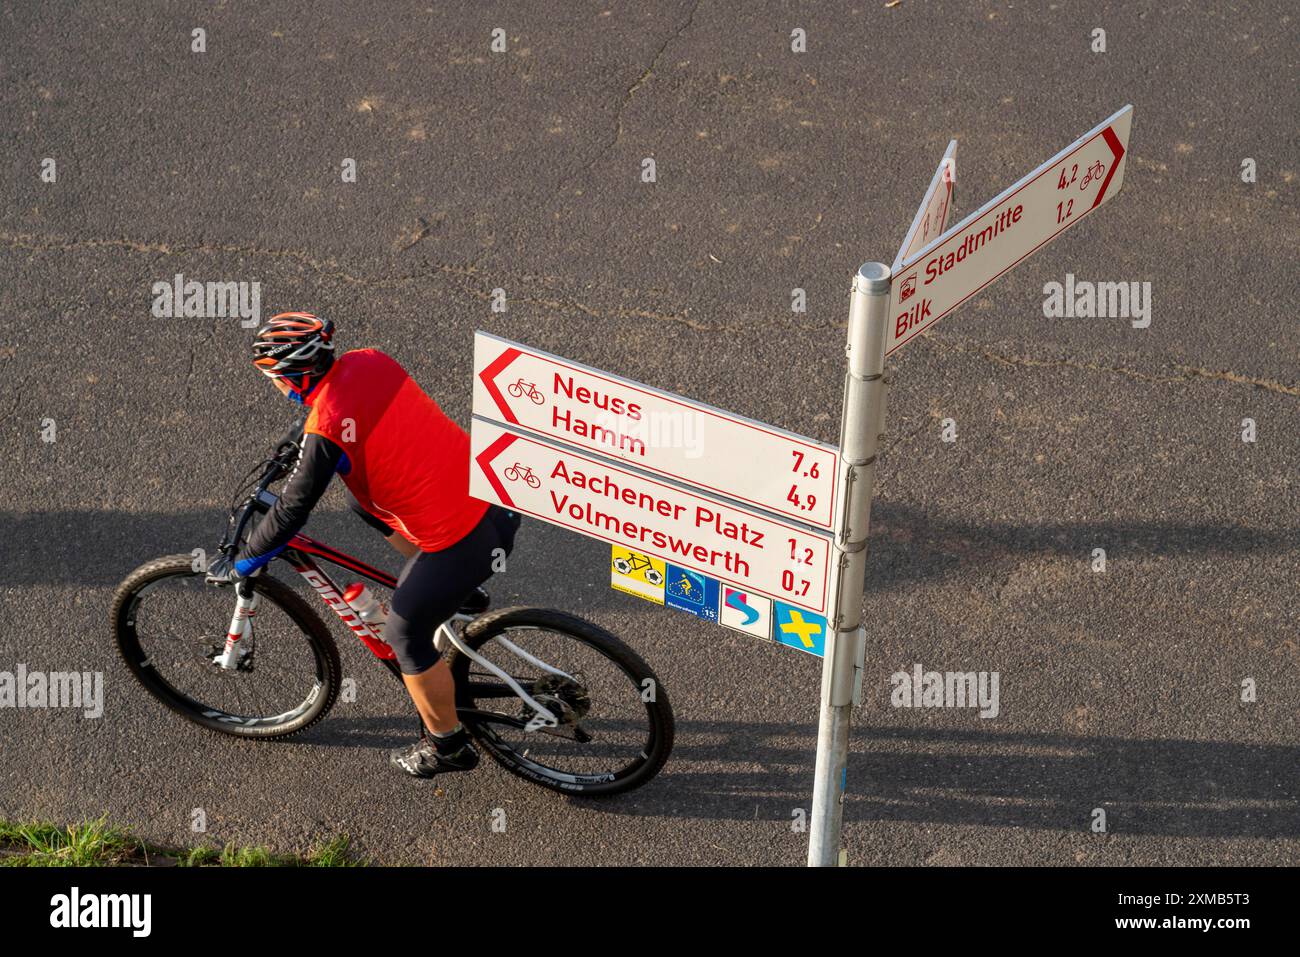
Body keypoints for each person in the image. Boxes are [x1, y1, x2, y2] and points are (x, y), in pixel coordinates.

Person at [204, 312, 521, 778]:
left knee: (404, 635)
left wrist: (246, 559)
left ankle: (447, 746)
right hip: (494, 501)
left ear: (292, 375)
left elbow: (293, 508)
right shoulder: (370, 361)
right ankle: (459, 593)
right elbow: (345, 419)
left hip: (464, 539)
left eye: (273, 378)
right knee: (360, 500)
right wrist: (306, 438)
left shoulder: (328, 428)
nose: (273, 386)